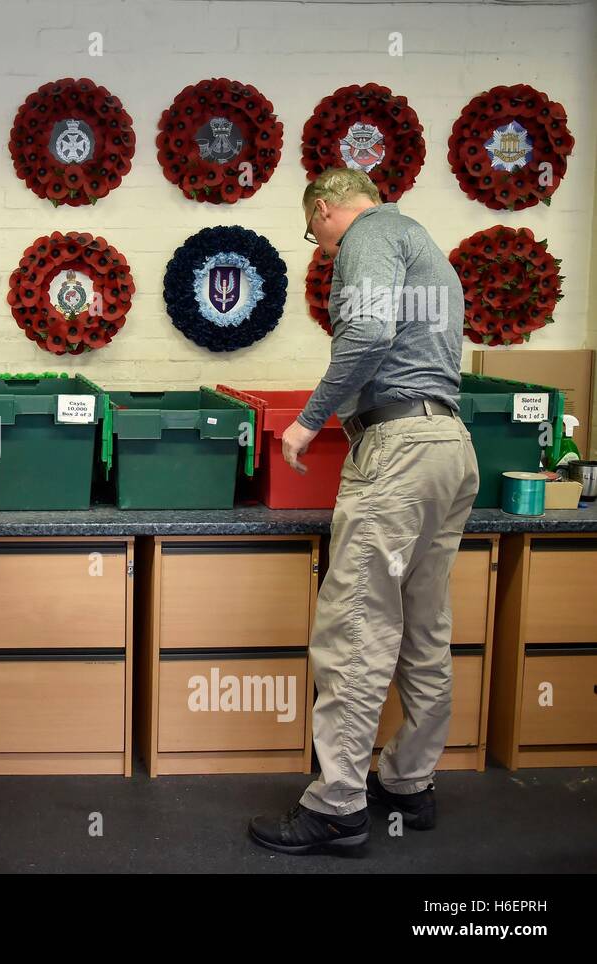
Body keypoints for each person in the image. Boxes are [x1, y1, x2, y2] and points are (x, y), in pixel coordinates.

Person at [248, 168, 479, 855]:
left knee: (355, 626)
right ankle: (410, 782)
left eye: (313, 235)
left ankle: (340, 806)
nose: (320, 251)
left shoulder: (368, 238)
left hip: (399, 452)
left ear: (324, 208)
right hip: (448, 445)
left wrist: (307, 421)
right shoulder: (424, 244)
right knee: (425, 626)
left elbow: (370, 334)